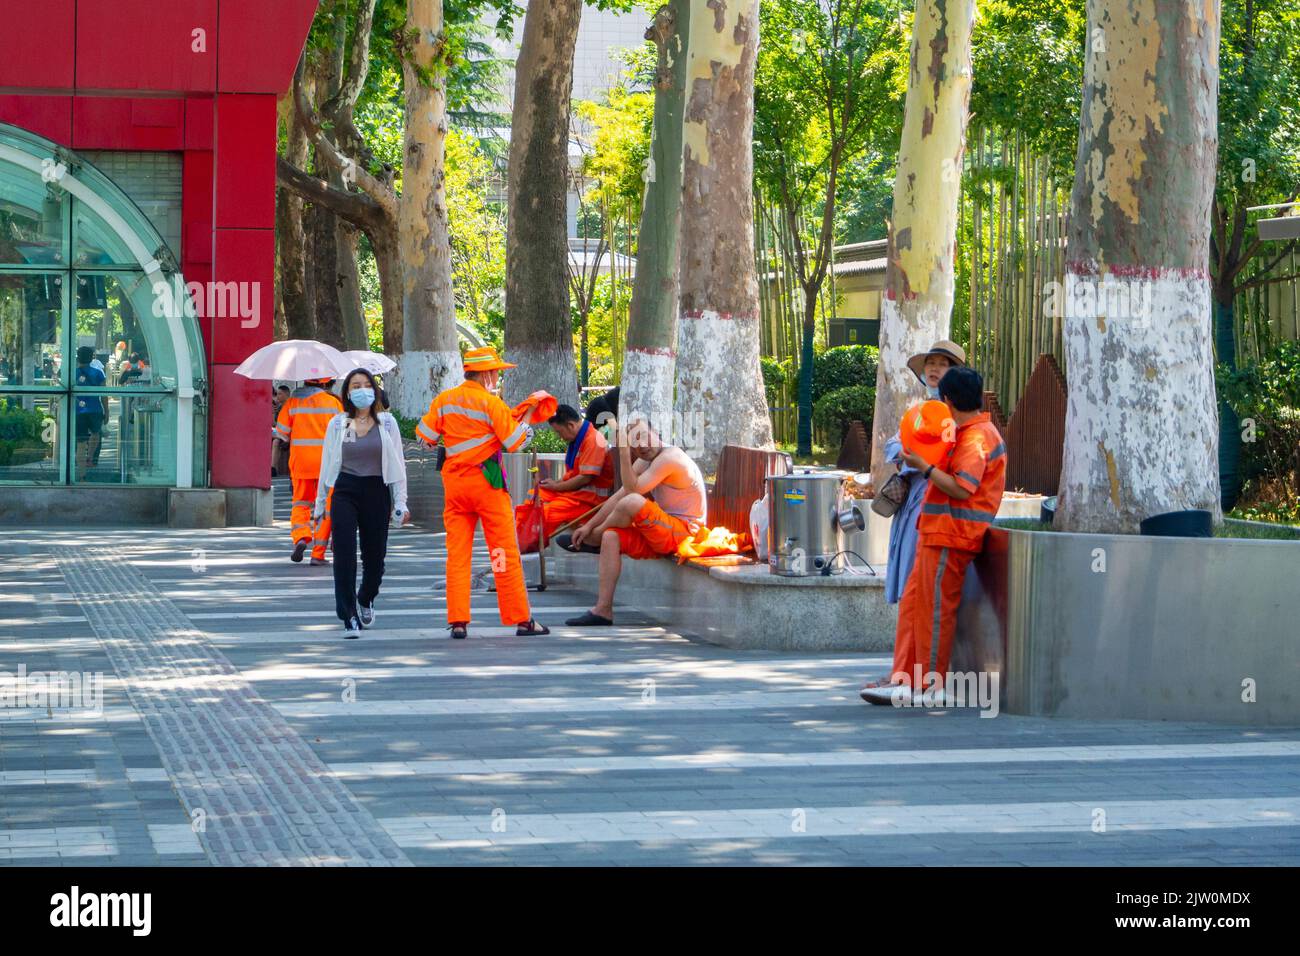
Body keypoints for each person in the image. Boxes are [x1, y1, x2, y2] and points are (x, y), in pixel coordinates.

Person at [862, 366, 1006, 706]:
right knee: (915, 607)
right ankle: (906, 680)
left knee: (934, 612)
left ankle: (929, 685)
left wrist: (925, 468)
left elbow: (962, 487)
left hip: (952, 535)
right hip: (937, 533)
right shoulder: (968, 432)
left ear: (948, 400)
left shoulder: (976, 438)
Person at [416, 346, 550, 639]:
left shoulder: (444, 400)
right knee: (501, 551)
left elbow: (423, 436)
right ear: (487, 373)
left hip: (455, 488)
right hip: (488, 488)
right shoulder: (492, 405)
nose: (497, 377)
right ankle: (521, 619)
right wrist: (526, 428)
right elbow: (515, 442)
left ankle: (458, 620)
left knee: (458, 555)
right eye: (496, 372)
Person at [560, 418, 707, 627]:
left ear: (656, 431)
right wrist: (588, 525)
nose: (642, 445)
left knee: (634, 501)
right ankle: (603, 610)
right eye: (634, 443)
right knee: (611, 537)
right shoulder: (646, 460)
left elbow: (632, 491)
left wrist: (622, 453)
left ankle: (593, 541)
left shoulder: (671, 457)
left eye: (644, 436)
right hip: (663, 533)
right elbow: (617, 496)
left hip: (685, 535)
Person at [313, 369, 409, 636]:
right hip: (345, 491)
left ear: (375, 390)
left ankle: (366, 597)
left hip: (377, 491)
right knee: (344, 554)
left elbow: (399, 465)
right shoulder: (338, 424)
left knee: (375, 558)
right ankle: (349, 615)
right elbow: (326, 464)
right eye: (356, 385)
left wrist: (401, 502)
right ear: (347, 393)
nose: (362, 390)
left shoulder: (387, 423)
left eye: (367, 385)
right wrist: (320, 504)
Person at [882, 340, 967, 605]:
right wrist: (910, 458)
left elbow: (948, 455)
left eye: (943, 364)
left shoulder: (959, 414)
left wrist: (918, 460)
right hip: (912, 498)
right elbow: (894, 444)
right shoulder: (918, 411)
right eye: (931, 363)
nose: (935, 369)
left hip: (936, 499)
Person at [516, 403, 614, 542]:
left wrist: (556, 487)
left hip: (590, 502)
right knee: (536, 497)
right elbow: (573, 474)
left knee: (546, 512)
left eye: (559, 432)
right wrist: (555, 483)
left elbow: (584, 479)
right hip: (577, 496)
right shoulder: (578, 440)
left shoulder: (592, 440)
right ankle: (522, 540)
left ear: (570, 425)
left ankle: (527, 543)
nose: (559, 437)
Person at [274, 377, 343, 565]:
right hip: (327, 465)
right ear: (325, 382)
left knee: (300, 503)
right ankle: (318, 554)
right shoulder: (334, 403)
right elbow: (344, 432)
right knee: (325, 507)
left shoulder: (292, 402)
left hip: (301, 463)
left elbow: (281, 433)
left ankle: (301, 537)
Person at [73, 346, 107, 479]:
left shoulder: (72, 373)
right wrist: (107, 411)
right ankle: (90, 457)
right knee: (95, 433)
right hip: (95, 409)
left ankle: (81, 474)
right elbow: (104, 394)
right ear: (92, 357)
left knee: (80, 441)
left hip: (78, 411)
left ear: (77, 357)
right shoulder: (98, 373)